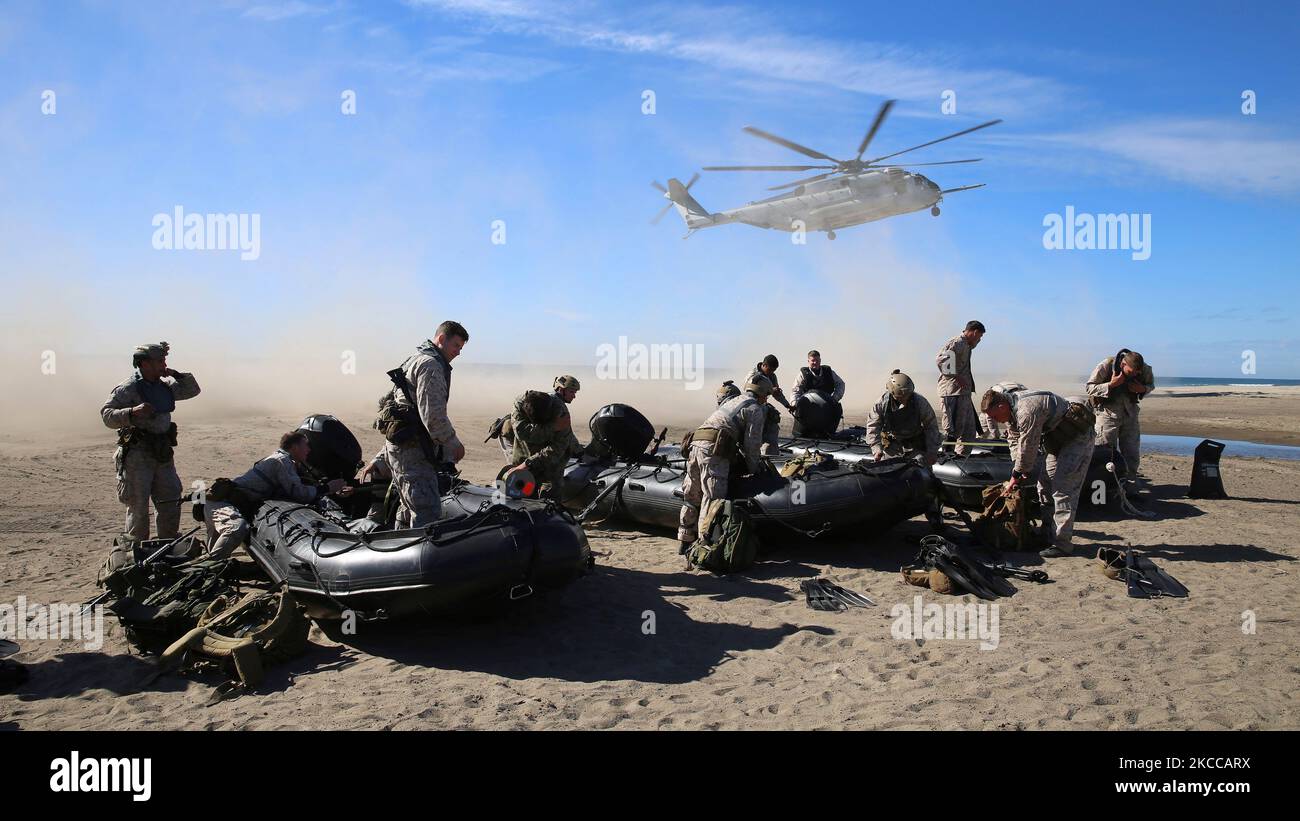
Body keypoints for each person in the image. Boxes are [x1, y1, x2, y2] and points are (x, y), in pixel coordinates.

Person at [100, 342, 201, 543]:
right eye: (159, 361)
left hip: (162, 453)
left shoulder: (164, 387)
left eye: (164, 360)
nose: (163, 364)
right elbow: (107, 415)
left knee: (170, 498)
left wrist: (175, 374)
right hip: (137, 455)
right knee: (138, 504)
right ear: (144, 364)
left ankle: (168, 543)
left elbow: (192, 390)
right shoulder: (129, 389)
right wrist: (131, 412)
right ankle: (136, 548)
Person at [980, 387, 1095, 558]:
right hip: (1057, 440)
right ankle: (1047, 533)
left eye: (995, 417)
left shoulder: (1027, 410)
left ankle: (1062, 544)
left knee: (1063, 490)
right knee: (1044, 485)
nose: (995, 421)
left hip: (1077, 439)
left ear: (1001, 406)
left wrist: (1017, 474)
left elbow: (1028, 445)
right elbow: (1014, 439)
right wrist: (1018, 466)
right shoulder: (1011, 409)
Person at [205, 431, 349, 559]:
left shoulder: (279, 459)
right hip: (223, 504)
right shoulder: (282, 462)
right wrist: (327, 488)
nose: (309, 450)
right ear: (295, 447)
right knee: (237, 529)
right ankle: (208, 567)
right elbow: (299, 494)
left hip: (221, 503)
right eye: (306, 445)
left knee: (215, 549)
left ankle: (208, 566)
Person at [380, 321, 468, 528]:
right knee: (426, 513)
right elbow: (433, 417)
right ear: (441, 339)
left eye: (461, 348)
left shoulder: (414, 360)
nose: (458, 352)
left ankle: (397, 554)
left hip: (402, 449)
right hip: (413, 453)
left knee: (408, 509)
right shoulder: (431, 365)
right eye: (456, 345)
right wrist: (453, 443)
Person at [677, 375, 772, 554]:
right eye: (766, 395)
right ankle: (703, 547)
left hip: (696, 444)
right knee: (712, 499)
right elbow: (752, 445)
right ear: (761, 393)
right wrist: (753, 469)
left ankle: (684, 539)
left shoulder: (734, 401)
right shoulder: (755, 409)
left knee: (692, 495)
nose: (766, 399)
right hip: (714, 451)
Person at [1086, 349, 1154, 488]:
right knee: (1104, 452)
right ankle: (1104, 486)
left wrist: (1142, 389)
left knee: (1132, 452)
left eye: (1138, 372)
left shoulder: (1144, 369)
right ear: (1123, 364)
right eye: (1132, 371)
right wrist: (1111, 385)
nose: (1135, 374)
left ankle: (1129, 486)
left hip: (1130, 414)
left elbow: (1150, 385)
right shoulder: (1106, 365)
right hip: (1107, 414)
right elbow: (1089, 388)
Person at [507, 378, 581, 498]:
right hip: (524, 448)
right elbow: (522, 433)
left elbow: (557, 448)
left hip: (550, 454)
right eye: (572, 392)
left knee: (551, 492)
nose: (574, 396)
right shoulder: (520, 403)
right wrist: (552, 427)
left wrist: (528, 464)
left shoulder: (560, 412)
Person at [864, 370, 941, 464]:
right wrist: (876, 449)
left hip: (915, 445)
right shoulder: (881, 403)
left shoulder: (920, 402)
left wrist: (932, 452)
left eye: (908, 396)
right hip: (891, 446)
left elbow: (931, 426)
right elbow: (873, 426)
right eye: (901, 397)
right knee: (887, 471)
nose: (905, 400)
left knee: (921, 470)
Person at [936, 320, 986, 454]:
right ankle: (947, 456)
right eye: (979, 336)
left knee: (968, 430)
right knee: (951, 430)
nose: (980, 340)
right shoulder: (957, 343)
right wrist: (956, 376)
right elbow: (941, 360)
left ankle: (961, 457)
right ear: (974, 332)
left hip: (963, 393)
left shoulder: (968, 345)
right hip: (951, 392)